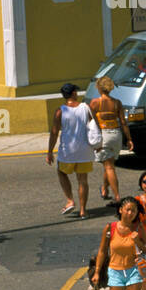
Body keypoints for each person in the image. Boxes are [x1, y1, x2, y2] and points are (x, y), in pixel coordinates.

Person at [46, 83, 98, 220]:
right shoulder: (86, 107)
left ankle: (70, 200)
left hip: (68, 151)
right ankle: (83, 211)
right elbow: (95, 127)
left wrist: (49, 151)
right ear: (74, 93)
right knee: (83, 180)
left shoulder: (60, 111)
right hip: (85, 150)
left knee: (61, 172)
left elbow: (54, 133)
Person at [88, 76, 133, 205]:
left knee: (109, 167)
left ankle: (117, 196)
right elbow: (123, 122)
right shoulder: (117, 103)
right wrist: (129, 139)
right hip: (116, 134)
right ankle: (105, 189)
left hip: (104, 135)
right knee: (109, 164)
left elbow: (91, 121)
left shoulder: (95, 103)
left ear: (98, 87)